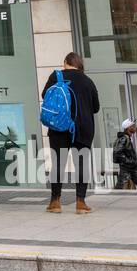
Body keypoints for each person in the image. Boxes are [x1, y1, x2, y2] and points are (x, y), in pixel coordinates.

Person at [41, 52, 99, 214]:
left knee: (58, 162)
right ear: (79, 64)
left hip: (59, 127)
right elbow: (96, 107)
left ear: (65, 62)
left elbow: (45, 96)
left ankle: (55, 202)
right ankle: (80, 203)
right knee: (81, 163)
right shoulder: (88, 81)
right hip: (83, 128)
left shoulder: (56, 76)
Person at [113, 118, 137, 190]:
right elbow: (117, 152)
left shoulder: (127, 138)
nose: (135, 127)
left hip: (132, 169)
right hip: (126, 169)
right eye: (133, 126)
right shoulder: (124, 138)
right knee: (120, 189)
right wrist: (128, 161)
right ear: (128, 128)